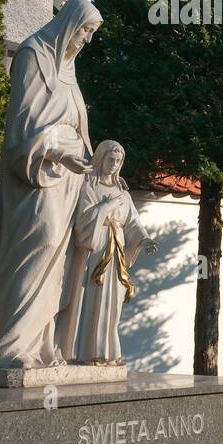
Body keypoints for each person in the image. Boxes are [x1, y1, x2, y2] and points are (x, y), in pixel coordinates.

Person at [0, 0, 102, 370]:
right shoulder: (32, 55)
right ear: (70, 23)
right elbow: (23, 129)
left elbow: (77, 126)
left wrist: (88, 161)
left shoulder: (68, 70)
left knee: (57, 263)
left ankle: (37, 345)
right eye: (85, 30)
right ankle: (5, 347)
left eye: (91, 34)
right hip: (36, 178)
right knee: (37, 246)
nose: (86, 40)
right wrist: (56, 151)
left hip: (68, 181)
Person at [61, 140, 157, 365]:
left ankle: (108, 353)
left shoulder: (123, 193)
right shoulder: (89, 187)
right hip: (93, 253)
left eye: (118, 161)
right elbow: (82, 222)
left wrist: (143, 239)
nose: (114, 165)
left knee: (111, 304)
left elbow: (133, 222)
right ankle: (85, 353)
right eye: (110, 160)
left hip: (116, 254)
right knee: (90, 300)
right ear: (101, 159)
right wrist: (105, 208)